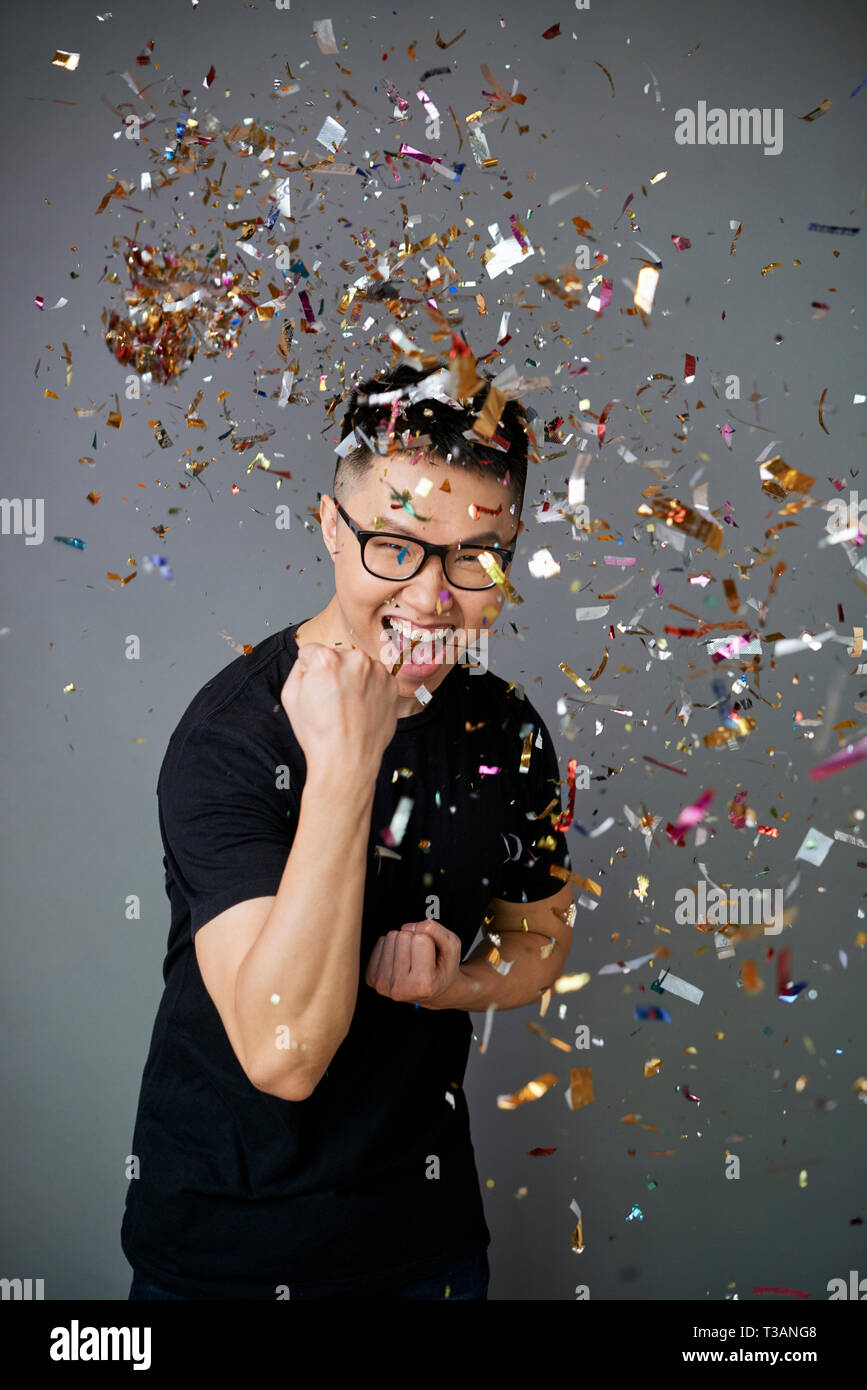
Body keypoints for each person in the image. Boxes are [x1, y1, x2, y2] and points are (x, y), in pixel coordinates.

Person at [121, 360, 575, 1300]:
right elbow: (282, 1056)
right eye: (396, 546)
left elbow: (539, 943)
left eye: (475, 556)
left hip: (426, 1246)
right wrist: (345, 766)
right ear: (332, 528)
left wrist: (457, 984)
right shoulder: (230, 738)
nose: (431, 598)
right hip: (230, 1251)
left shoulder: (508, 727)